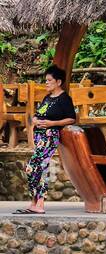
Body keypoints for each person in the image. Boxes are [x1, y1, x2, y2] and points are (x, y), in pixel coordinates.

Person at [17, 65, 78, 215]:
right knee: (35, 169)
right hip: (39, 138)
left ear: (58, 82)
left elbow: (72, 118)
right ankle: (34, 203)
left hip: (50, 137)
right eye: (46, 80)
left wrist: (53, 124)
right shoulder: (47, 98)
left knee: (36, 167)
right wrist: (36, 120)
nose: (46, 83)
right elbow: (38, 115)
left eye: (49, 80)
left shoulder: (64, 99)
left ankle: (40, 204)